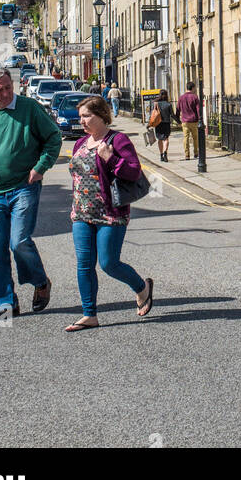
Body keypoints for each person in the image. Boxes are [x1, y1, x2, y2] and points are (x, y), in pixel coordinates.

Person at [0, 67, 62, 320]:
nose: (6, 93)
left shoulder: (29, 108)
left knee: (18, 241)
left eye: (9, 87)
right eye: (0, 90)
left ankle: (40, 282)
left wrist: (41, 167)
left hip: (24, 187)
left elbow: (53, 137)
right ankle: (5, 304)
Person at [65, 95, 153, 331]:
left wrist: (110, 157)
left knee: (108, 263)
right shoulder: (80, 143)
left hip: (110, 214)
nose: (82, 121)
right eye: (80, 116)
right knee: (84, 264)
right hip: (82, 214)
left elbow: (134, 172)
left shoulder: (118, 140)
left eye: (87, 116)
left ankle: (141, 287)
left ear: (102, 115)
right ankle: (89, 314)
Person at [177, 82, 201, 160]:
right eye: (195, 88)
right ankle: (196, 153)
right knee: (195, 138)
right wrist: (200, 118)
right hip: (194, 120)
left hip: (185, 121)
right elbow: (198, 109)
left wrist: (177, 120)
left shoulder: (181, 98)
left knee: (186, 138)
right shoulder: (195, 97)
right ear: (193, 88)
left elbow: (178, 109)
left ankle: (187, 155)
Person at [152, 88, 177, 163]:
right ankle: (165, 153)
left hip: (158, 123)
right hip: (166, 123)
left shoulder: (156, 104)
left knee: (159, 139)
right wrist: (178, 121)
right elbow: (172, 115)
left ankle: (161, 154)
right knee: (166, 138)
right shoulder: (168, 104)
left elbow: (153, 114)